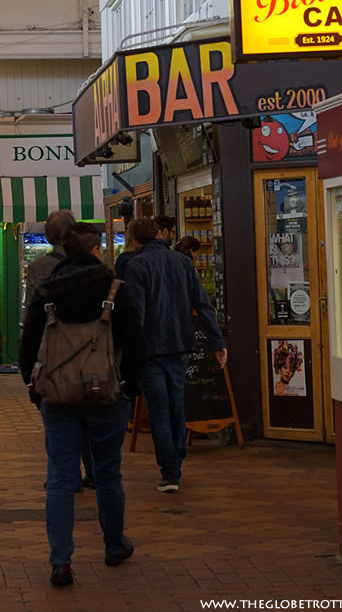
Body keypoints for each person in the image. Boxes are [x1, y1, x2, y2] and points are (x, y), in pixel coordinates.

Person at [20, 222, 145, 587]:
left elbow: (29, 344)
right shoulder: (115, 290)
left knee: (60, 477)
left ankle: (60, 560)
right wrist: (129, 388)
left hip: (57, 397)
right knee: (107, 473)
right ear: (94, 251)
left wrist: (34, 386)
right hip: (105, 394)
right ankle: (113, 546)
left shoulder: (47, 292)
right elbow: (135, 344)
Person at [121, 217, 226, 494]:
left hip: (151, 348)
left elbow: (137, 312)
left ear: (135, 239)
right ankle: (176, 461)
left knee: (159, 408)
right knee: (176, 403)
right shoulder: (182, 262)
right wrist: (217, 342)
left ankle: (170, 471)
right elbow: (203, 304)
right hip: (181, 343)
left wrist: (128, 349)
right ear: (158, 234)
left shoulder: (136, 265)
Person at [23, 210, 75, 317]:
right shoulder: (90, 262)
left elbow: (30, 314)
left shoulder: (37, 267)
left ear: (47, 235)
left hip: (51, 330)